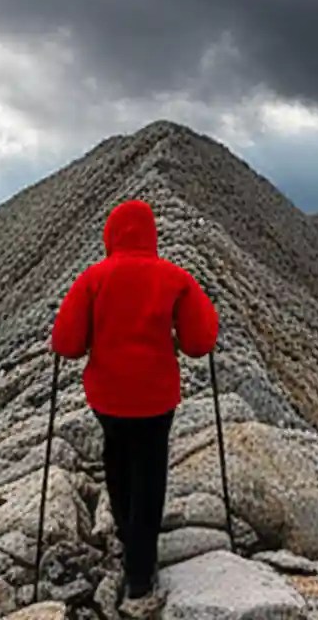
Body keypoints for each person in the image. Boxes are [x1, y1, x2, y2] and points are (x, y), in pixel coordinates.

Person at [50, 198, 219, 600]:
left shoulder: (93, 278)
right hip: (156, 399)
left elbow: (66, 343)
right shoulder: (174, 278)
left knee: (117, 459)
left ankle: (127, 537)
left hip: (107, 399)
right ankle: (140, 573)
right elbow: (200, 342)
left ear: (111, 235)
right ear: (151, 235)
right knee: (150, 472)